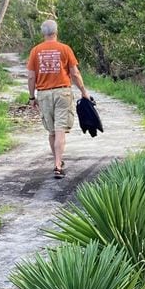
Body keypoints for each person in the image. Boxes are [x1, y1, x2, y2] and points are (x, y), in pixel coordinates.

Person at [26, 19, 89, 179]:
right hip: (63, 92)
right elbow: (74, 73)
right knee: (60, 129)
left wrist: (32, 96)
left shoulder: (36, 51)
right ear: (56, 32)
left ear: (43, 33)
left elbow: (31, 76)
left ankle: (57, 161)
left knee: (52, 130)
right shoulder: (65, 49)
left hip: (44, 94)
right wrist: (83, 91)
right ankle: (58, 165)